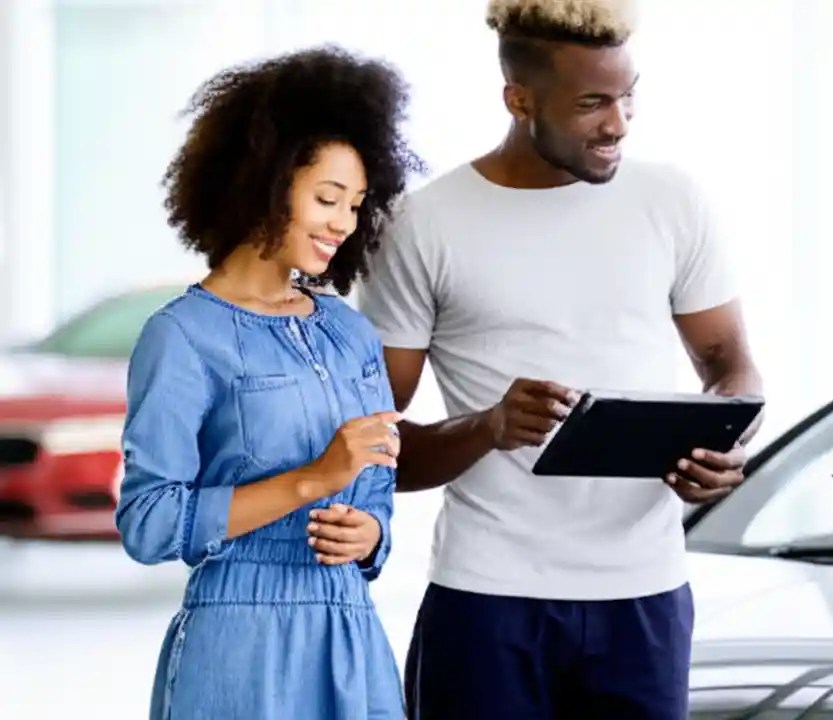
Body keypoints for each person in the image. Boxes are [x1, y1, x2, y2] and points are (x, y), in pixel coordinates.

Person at [359, 1, 763, 717]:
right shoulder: (425, 224)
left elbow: (731, 366)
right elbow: (373, 447)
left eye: (628, 97)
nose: (618, 124)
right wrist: (488, 426)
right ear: (518, 100)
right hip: (488, 599)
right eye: (591, 104)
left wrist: (720, 447)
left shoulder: (672, 200)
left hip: (646, 596)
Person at [114, 46, 423, 719]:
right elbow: (147, 521)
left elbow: (375, 501)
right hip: (238, 641)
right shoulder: (183, 336)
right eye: (327, 198)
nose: (344, 222)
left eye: (357, 204)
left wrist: (368, 537)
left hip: (349, 632)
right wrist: (309, 481)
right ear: (264, 180)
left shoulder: (350, 333)